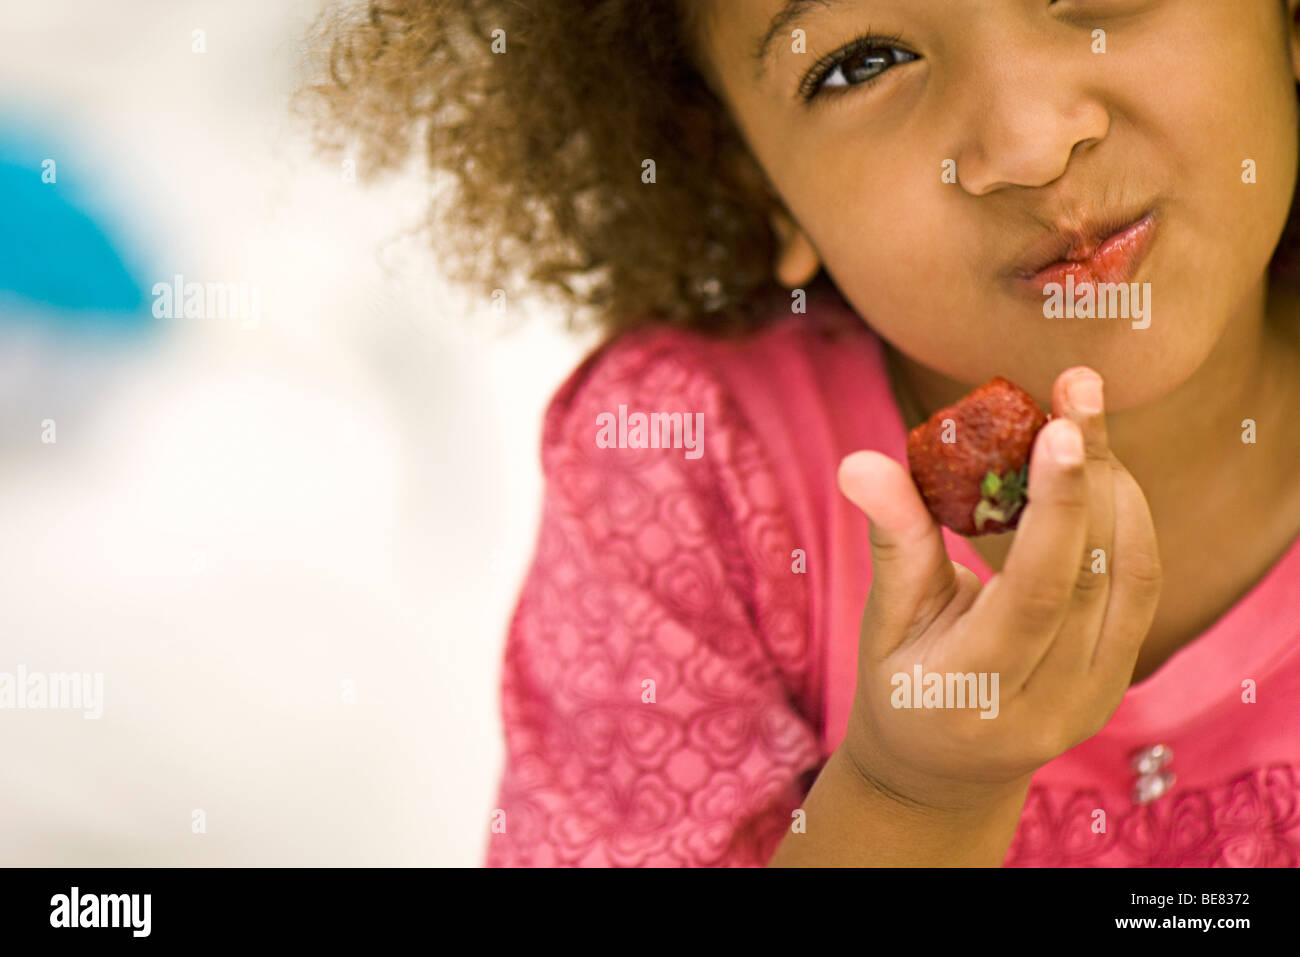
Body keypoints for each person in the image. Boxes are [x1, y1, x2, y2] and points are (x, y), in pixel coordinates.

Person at [311, 0, 1300, 866]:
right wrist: (912, 796)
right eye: (862, 61)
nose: (1029, 140)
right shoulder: (686, 470)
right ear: (754, 184)